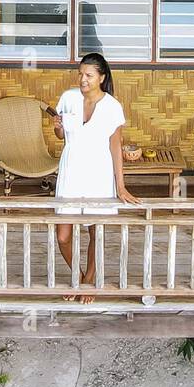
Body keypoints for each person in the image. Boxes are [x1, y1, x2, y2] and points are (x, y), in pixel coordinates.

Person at [53, 51, 139, 303]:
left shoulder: (112, 107)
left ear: (101, 77)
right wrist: (57, 127)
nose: (83, 79)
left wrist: (120, 186)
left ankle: (89, 281)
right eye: (80, 74)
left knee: (95, 232)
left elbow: (115, 146)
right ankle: (78, 278)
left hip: (98, 173)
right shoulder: (68, 98)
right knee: (63, 235)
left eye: (89, 75)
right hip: (70, 171)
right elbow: (60, 136)